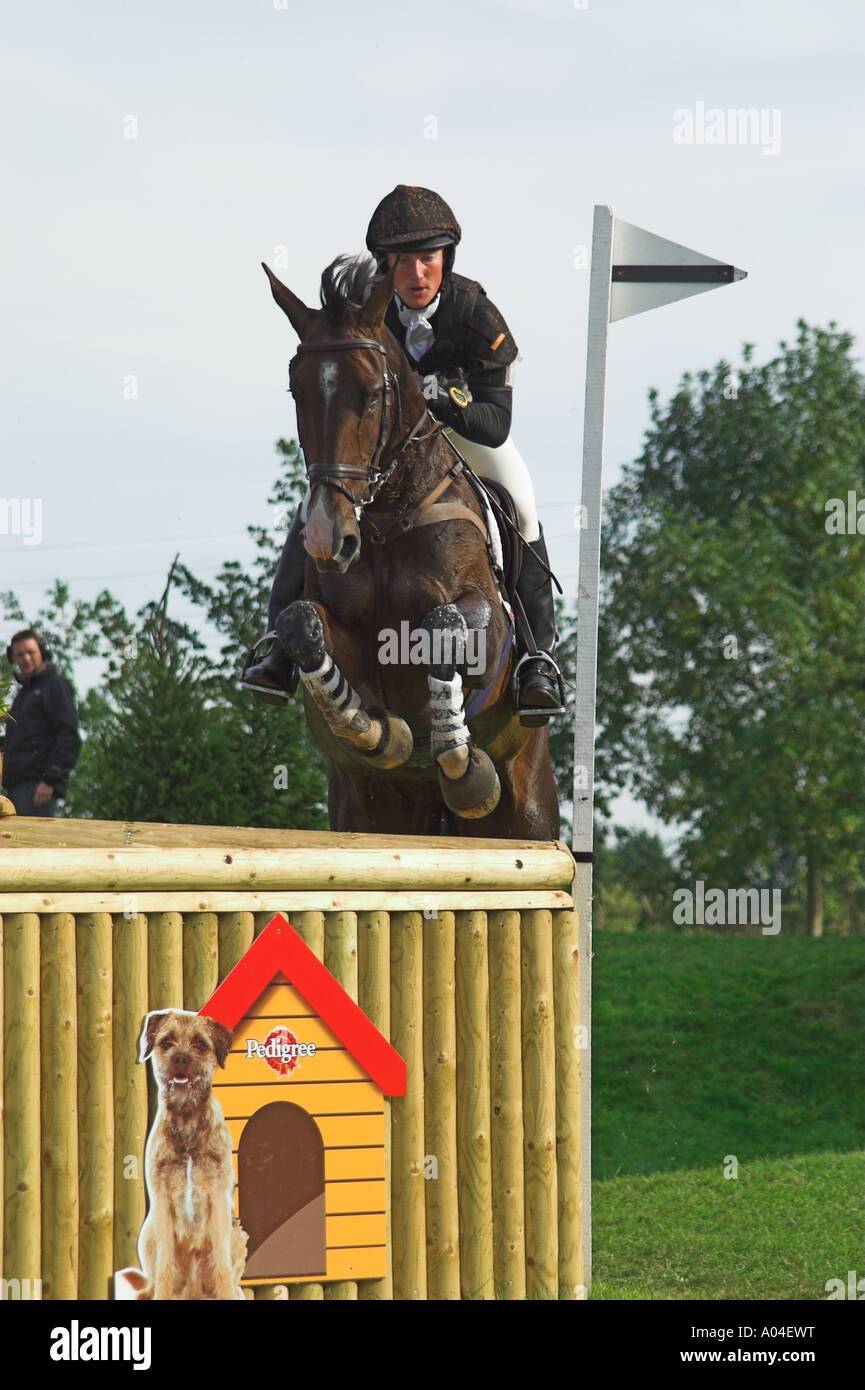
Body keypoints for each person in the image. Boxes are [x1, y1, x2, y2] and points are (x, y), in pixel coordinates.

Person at [243, 184, 563, 718]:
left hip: (465, 436)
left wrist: (446, 401)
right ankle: (278, 644)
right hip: (388, 447)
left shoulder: (476, 313)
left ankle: (538, 656)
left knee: (520, 501)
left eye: (427, 259)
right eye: (401, 262)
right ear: (384, 266)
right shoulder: (368, 314)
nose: (415, 274)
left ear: (445, 260)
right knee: (315, 508)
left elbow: (496, 422)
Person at [0, 630, 81, 816]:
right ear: (13, 658)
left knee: (27, 843)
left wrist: (50, 780)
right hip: (15, 789)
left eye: (31, 652)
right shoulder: (23, 696)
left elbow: (68, 735)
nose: (26, 658)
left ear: (42, 652)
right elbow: (18, 742)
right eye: (20, 655)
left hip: (36, 788)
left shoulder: (54, 686)